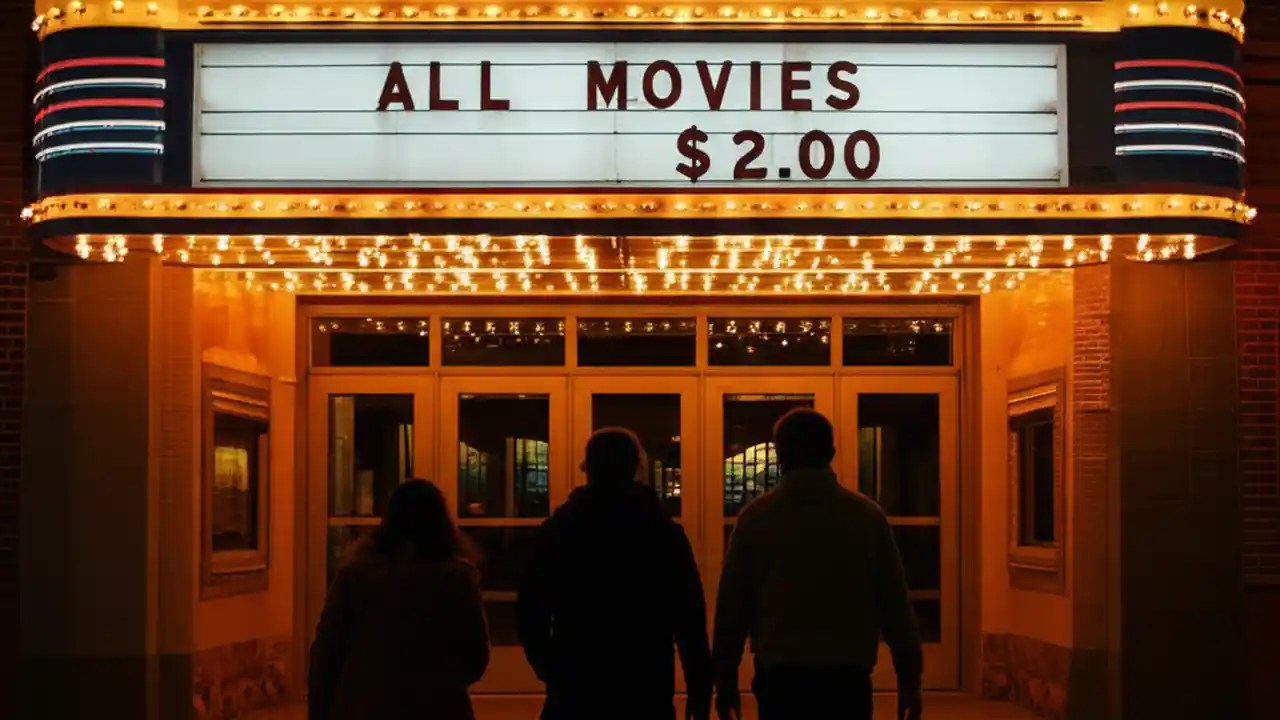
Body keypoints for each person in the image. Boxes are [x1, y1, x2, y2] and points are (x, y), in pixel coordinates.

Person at [713, 408, 923, 720]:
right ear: (831, 453)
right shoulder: (866, 517)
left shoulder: (756, 519)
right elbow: (895, 605)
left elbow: (732, 609)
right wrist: (909, 682)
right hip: (846, 678)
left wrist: (725, 682)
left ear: (780, 456)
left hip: (780, 678)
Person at [518, 428, 712, 720]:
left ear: (589, 469)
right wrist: (699, 688)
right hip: (644, 680)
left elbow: (531, 609)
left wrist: (548, 665)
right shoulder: (660, 532)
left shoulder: (560, 530)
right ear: (635, 467)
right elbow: (689, 618)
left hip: (576, 678)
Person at [308, 479, 489, 720]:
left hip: (366, 708)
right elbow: (475, 659)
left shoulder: (356, 578)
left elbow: (326, 657)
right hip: (439, 708)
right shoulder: (456, 581)